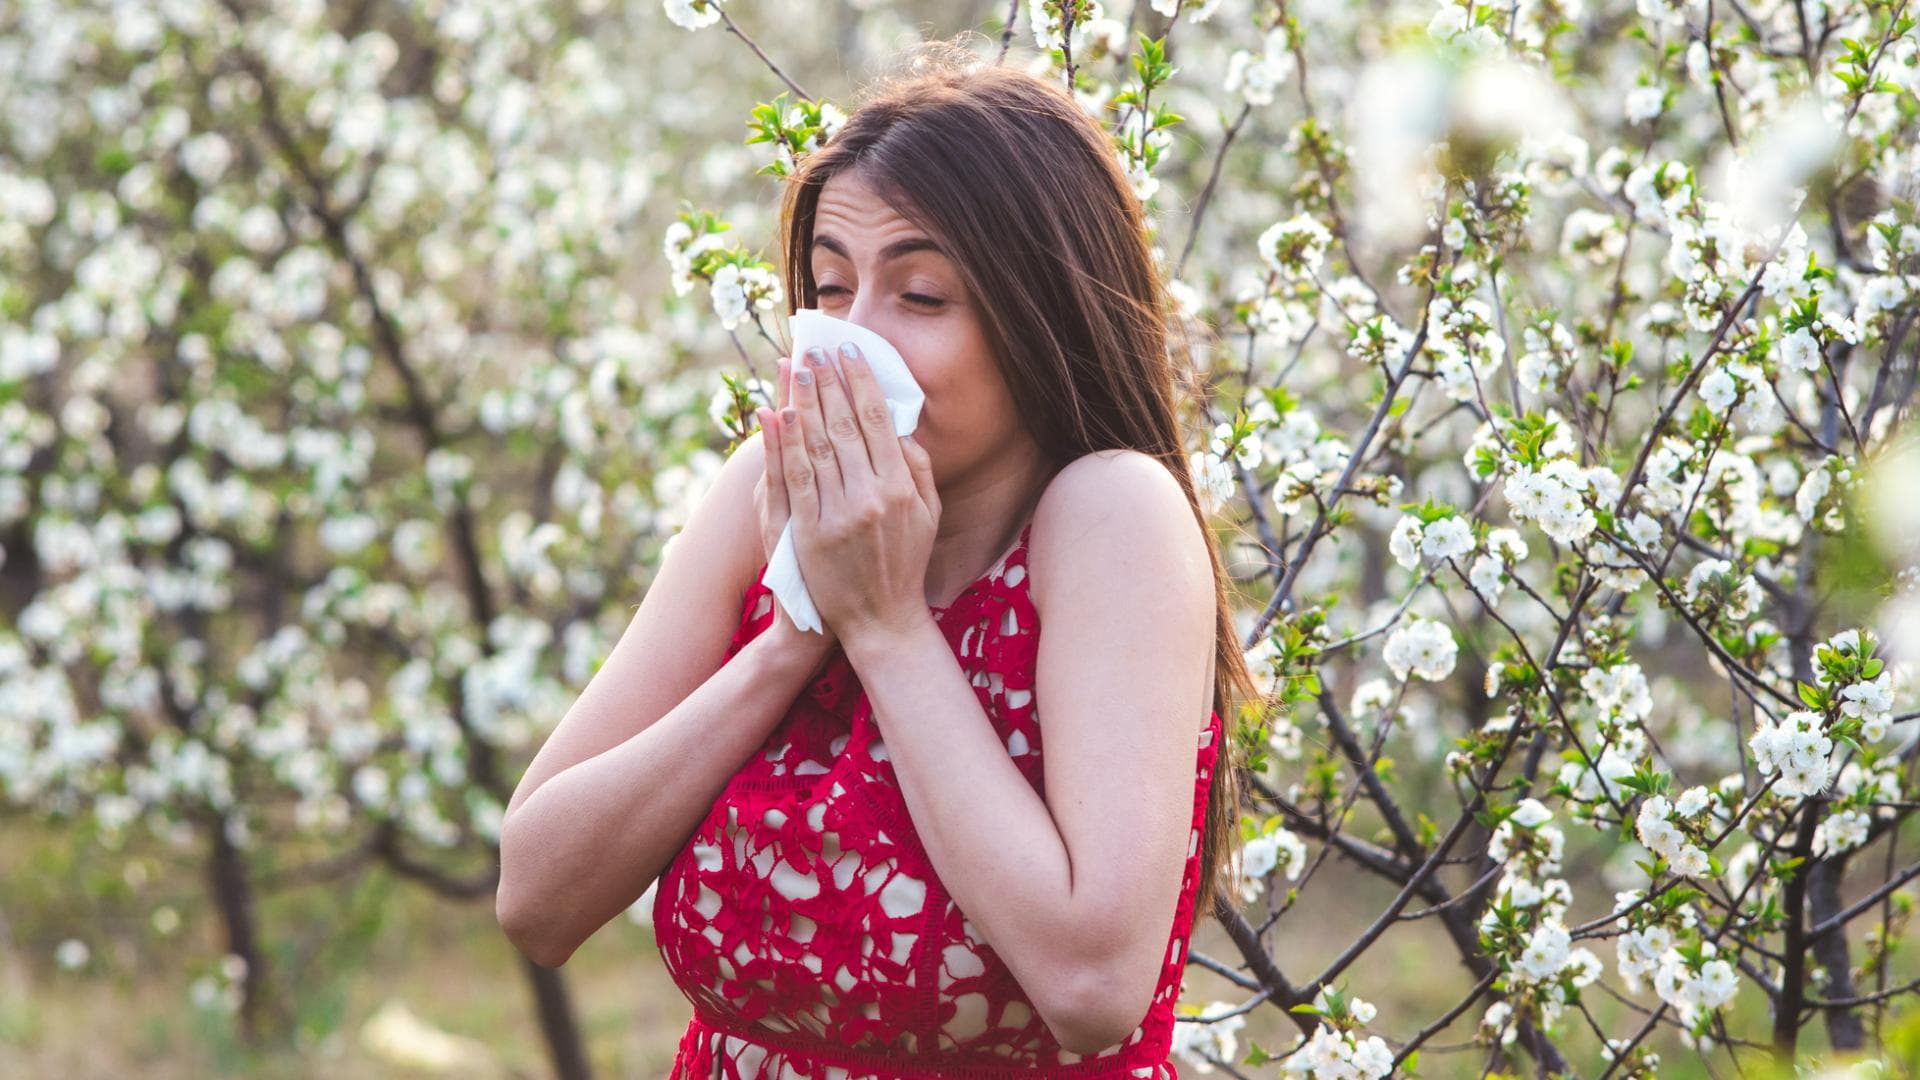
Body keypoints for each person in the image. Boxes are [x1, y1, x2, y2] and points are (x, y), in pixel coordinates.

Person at [497, 37, 1259, 1077]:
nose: (856, 343)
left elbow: (1092, 988)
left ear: (1041, 319)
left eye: (923, 297)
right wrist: (792, 637)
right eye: (829, 288)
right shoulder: (766, 497)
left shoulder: (1107, 517)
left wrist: (888, 628)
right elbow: (536, 897)